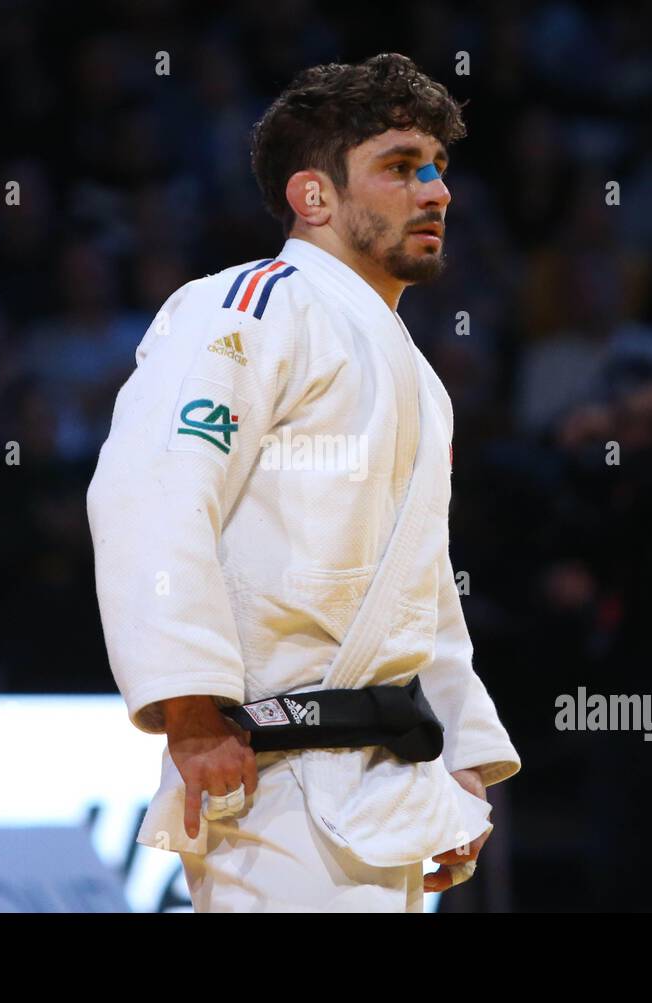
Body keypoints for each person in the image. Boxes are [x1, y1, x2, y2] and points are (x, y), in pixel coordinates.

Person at [87, 53, 520, 912]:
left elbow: (419, 582)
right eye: (400, 167)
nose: (435, 191)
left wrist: (460, 755)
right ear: (312, 195)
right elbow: (156, 493)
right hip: (271, 774)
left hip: (389, 782)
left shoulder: (420, 380)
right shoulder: (249, 306)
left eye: (438, 168)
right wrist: (189, 707)